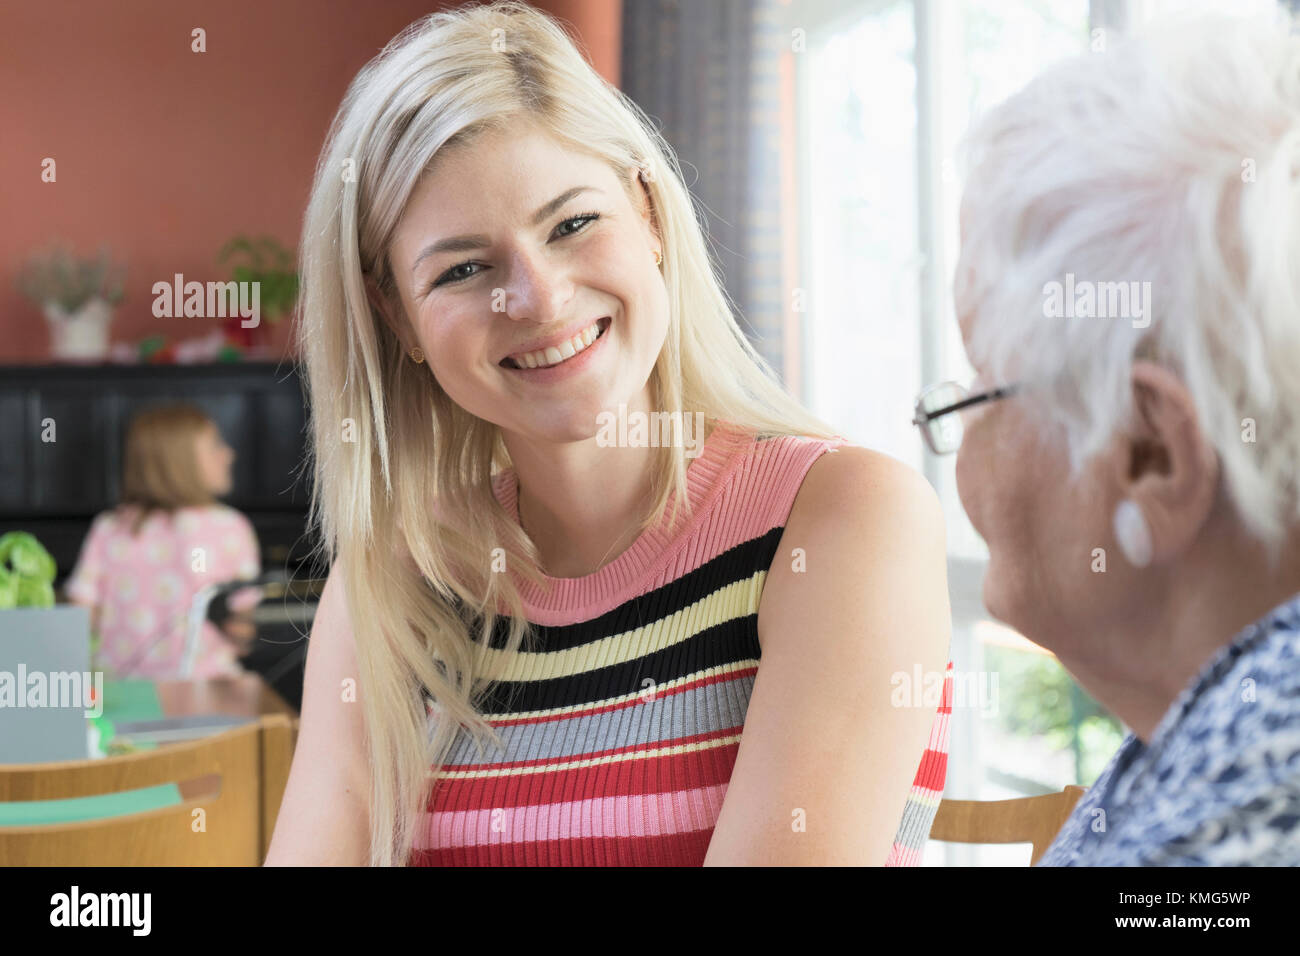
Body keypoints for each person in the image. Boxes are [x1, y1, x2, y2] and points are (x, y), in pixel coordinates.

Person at [267, 1, 953, 867]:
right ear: (396, 316)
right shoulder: (397, 582)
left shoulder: (843, 522)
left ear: (651, 215)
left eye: (572, 223)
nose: (540, 299)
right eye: (466, 268)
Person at [920, 15, 1300, 865]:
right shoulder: (1211, 737)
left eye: (979, 394)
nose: (962, 451)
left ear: (1149, 454)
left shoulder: (1238, 823)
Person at [65, 403, 263, 680]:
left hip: (121, 692)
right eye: (216, 445)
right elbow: (242, 633)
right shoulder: (230, 527)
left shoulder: (109, 527)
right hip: (203, 689)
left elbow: (80, 623)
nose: (229, 454)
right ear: (179, 462)